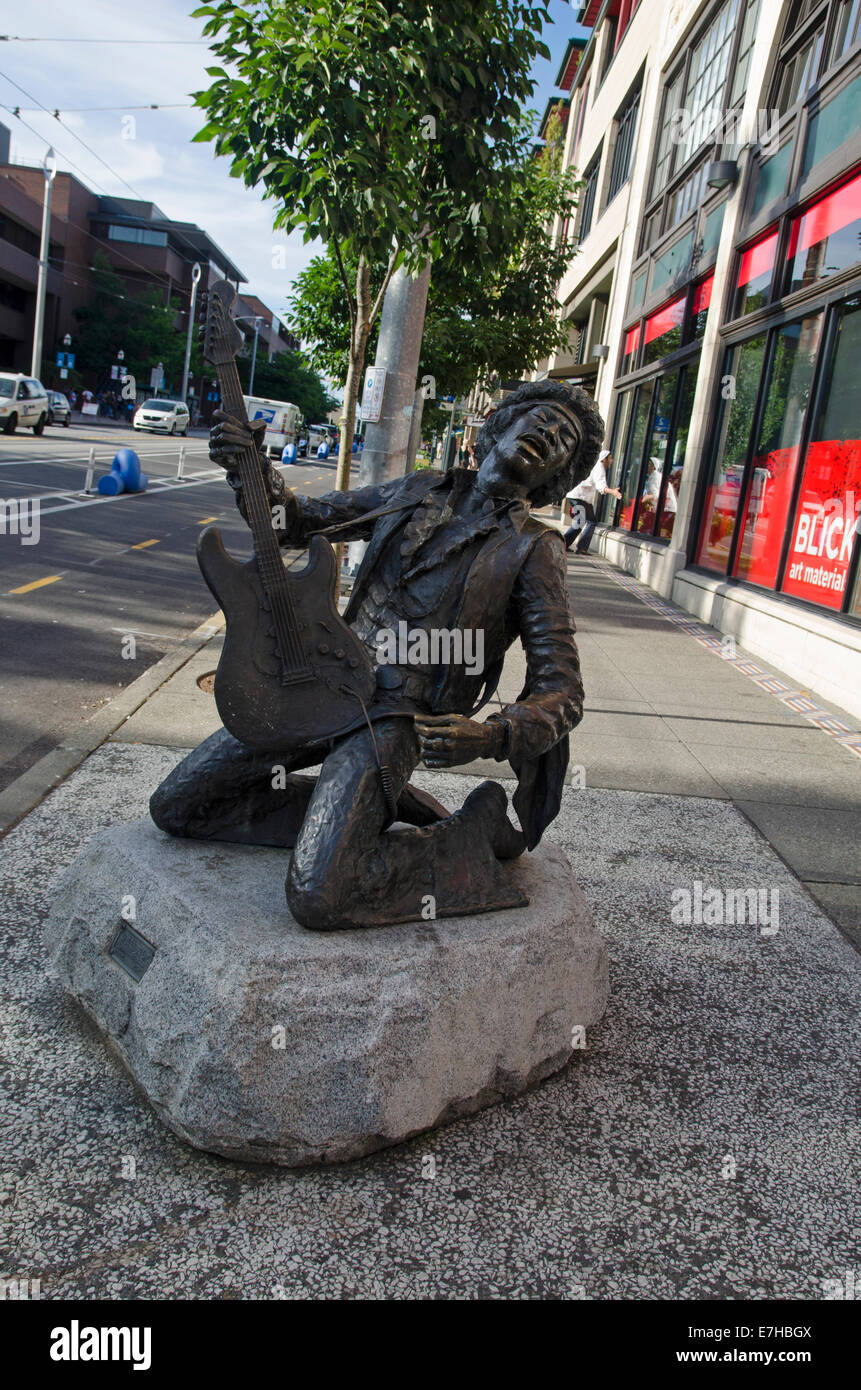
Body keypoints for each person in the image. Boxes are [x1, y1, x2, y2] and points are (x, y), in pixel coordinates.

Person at [150, 379, 604, 930]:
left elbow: (563, 689)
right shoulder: (417, 489)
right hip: (322, 682)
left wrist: (493, 735)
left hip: (397, 716)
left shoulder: (535, 549)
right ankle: (363, 807)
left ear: (557, 475)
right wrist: (248, 470)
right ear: (501, 423)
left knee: (321, 895)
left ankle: (466, 833)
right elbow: (296, 521)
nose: (546, 434)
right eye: (540, 418)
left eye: (563, 439)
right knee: (179, 807)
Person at [563, 448, 621, 553]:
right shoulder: (599, 468)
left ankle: (569, 544)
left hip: (580, 497)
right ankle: (575, 546)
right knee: (586, 521)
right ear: (604, 459)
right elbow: (601, 486)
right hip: (579, 497)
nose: (611, 461)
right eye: (610, 458)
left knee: (586, 521)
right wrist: (613, 492)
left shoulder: (596, 466)